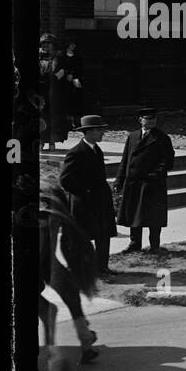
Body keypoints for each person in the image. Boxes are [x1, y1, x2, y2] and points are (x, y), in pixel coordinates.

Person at [59, 114, 117, 275]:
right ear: (89, 132)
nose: (102, 134)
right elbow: (65, 180)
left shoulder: (97, 150)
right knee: (80, 238)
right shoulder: (76, 152)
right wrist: (86, 191)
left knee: (103, 235)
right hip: (83, 204)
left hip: (100, 203)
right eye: (99, 130)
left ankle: (102, 268)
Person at [114, 109, 175, 255]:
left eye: (154, 119)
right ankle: (135, 243)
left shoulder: (162, 138)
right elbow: (125, 160)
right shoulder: (133, 136)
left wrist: (155, 174)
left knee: (154, 216)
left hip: (152, 184)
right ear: (140, 120)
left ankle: (155, 245)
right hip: (134, 183)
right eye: (148, 119)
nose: (151, 121)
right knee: (134, 214)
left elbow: (168, 161)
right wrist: (119, 179)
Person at [39, 33, 69, 150]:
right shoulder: (38, 58)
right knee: (41, 118)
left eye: (48, 43)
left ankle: (52, 142)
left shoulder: (59, 59)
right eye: (43, 43)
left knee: (54, 118)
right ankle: (41, 141)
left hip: (55, 94)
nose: (45, 46)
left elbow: (58, 76)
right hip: (41, 93)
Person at [62, 41, 84, 131]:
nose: (73, 46)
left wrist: (76, 77)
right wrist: (66, 75)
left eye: (74, 44)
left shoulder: (77, 58)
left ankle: (76, 121)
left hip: (75, 82)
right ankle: (67, 123)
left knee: (75, 101)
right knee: (66, 101)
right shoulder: (62, 57)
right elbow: (59, 68)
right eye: (71, 44)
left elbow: (80, 69)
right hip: (64, 83)